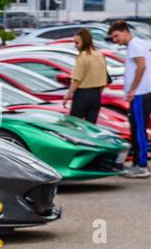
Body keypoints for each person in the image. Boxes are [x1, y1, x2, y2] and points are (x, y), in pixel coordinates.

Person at [108, 20, 150, 177]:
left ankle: (141, 166)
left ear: (125, 32)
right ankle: (140, 163)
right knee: (137, 129)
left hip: (140, 94)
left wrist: (133, 89)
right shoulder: (138, 43)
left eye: (116, 36)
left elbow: (141, 66)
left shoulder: (135, 45)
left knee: (138, 129)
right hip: (141, 93)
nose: (115, 40)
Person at [63, 29, 108, 126]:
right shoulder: (100, 55)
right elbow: (105, 79)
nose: (75, 45)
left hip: (82, 95)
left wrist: (68, 95)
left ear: (85, 42)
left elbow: (76, 79)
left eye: (77, 43)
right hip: (96, 96)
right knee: (91, 127)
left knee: (74, 125)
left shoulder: (82, 56)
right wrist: (97, 93)